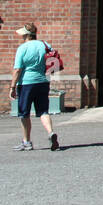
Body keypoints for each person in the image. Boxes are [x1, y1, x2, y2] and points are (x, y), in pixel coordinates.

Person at [10, 23, 59, 151]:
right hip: (43, 82)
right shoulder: (45, 45)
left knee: (24, 113)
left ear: (26, 35)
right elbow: (54, 65)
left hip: (26, 83)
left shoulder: (22, 48)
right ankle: (51, 133)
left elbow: (17, 69)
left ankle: (26, 141)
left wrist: (12, 87)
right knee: (43, 111)